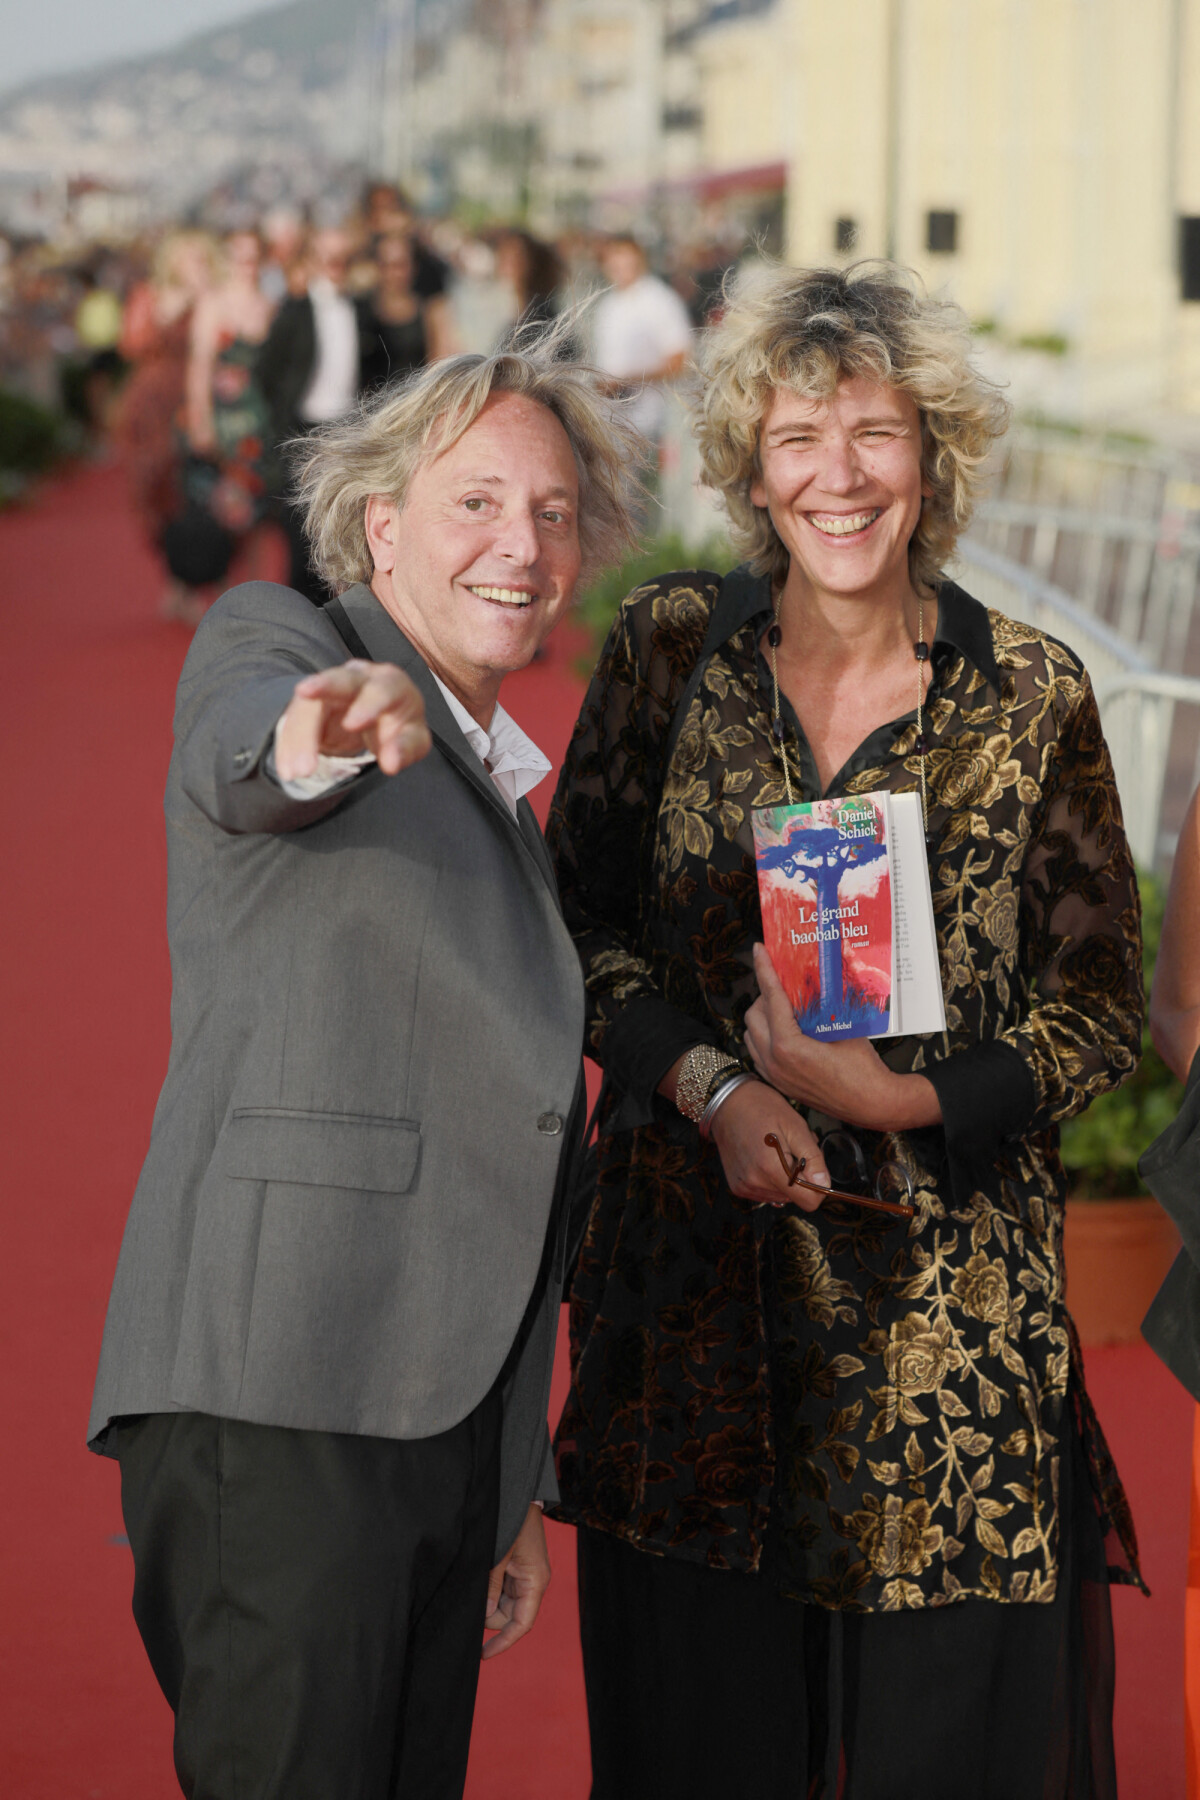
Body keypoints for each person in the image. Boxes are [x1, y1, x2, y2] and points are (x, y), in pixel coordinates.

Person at [547, 261, 1144, 1800]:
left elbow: (1099, 1007)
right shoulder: (668, 648)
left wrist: (890, 1102)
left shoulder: (1030, 691)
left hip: (944, 1344)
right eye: (801, 437)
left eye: (876, 433)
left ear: (931, 457)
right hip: (698, 1320)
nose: (840, 475)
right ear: (751, 463)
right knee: (705, 1748)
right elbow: (577, 929)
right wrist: (715, 1082)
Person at [87, 336, 643, 1798]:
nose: (519, 544)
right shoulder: (289, 639)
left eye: (553, 511)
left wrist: (509, 1479)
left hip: (443, 1428)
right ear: (382, 524)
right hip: (288, 1402)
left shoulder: (506, 782)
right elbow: (243, 746)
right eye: (474, 503)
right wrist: (321, 731)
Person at [256, 225, 365, 603]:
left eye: (343, 258)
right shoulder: (295, 310)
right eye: (329, 258)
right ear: (313, 261)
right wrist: (282, 419)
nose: (336, 266)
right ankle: (301, 617)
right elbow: (266, 370)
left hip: (349, 430)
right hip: (301, 430)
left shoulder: (360, 308)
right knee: (299, 529)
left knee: (343, 527)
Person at [114, 229, 219, 622]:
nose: (194, 263)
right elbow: (131, 342)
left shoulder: (212, 299)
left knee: (188, 490)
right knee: (150, 491)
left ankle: (191, 580)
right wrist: (172, 306)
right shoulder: (149, 295)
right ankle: (174, 573)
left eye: (200, 256)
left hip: (191, 401)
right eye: (187, 256)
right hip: (148, 404)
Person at [177, 228, 276, 594]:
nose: (248, 266)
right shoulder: (212, 304)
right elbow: (199, 368)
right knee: (220, 510)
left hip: (259, 425)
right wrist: (200, 423)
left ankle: (250, 592)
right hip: (222, 422)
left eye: (254, 258)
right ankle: (219, 595)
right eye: (240, 257)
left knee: (258, 513)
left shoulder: (270, 306)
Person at [591, 233, 692, 457]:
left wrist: (629, 380)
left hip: (650, 423)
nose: (619, 266)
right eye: (614, 259)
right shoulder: (607, 304)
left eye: (625, 257)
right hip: (613, 422)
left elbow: (680, 361)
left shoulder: (659, 300)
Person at [358, 230, 455, 393]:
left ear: (413, 267)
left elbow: (439, 364)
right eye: (385, 265)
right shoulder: (360, 311)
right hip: (370, 410)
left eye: (400, 265)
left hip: (413, 406)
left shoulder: (429, 312)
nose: (393, 274)